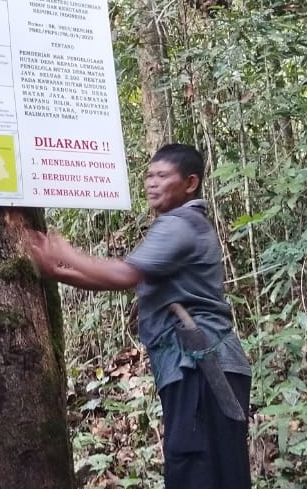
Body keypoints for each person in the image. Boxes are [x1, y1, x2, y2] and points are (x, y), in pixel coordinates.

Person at [27, 144, 252, 489]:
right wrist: (57, 271)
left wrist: (66, 252)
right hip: (202, 369)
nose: (151, 183)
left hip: (202, 368)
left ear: (190, 183)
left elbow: (124, 274)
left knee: (198, 471)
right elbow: (121, 279)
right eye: (149, 175)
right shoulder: (183, 226)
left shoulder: (179, 224)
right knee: (217, 470)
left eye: (162, 176)